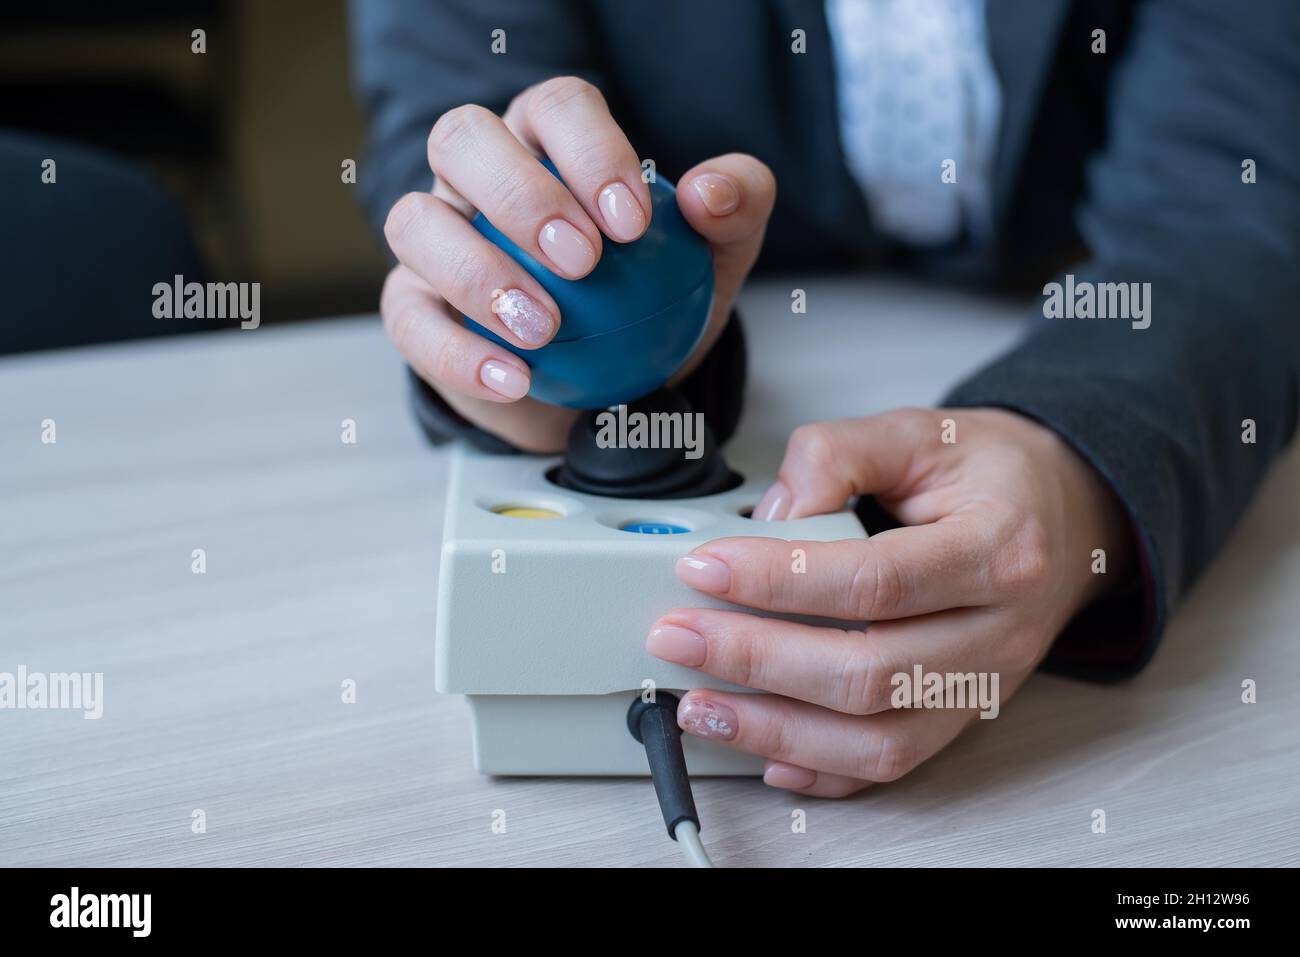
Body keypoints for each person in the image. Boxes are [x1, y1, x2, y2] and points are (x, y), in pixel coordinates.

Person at [348, 0, 1300, 797]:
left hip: (1059, 320)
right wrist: (479, 302)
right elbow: (451, 109)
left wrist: (1070, 453)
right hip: (709, 342)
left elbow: (1237, 194)